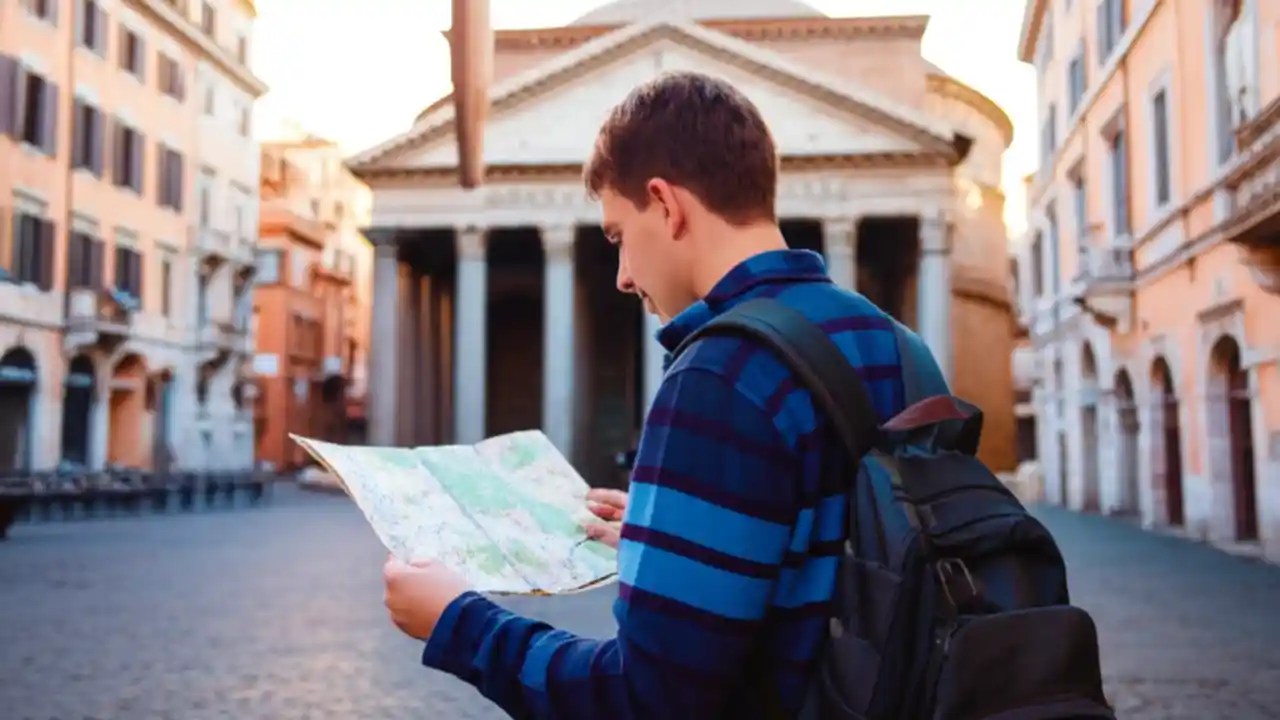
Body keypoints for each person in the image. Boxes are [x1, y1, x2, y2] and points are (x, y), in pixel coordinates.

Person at [381, 70, 913, 719]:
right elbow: (841, 542)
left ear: (665, 204)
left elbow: (648, 700)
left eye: (617, 237)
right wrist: (681, 533)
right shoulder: (899, 345)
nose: (624, 278)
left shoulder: (718, 375)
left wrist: (456, 623)